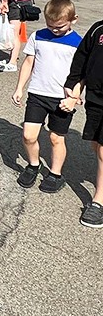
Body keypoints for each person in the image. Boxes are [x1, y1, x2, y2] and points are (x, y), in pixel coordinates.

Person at [11, 0, 81, 193]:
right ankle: (33, 165)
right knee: (28, 135)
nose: (54, 30)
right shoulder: (38, 36)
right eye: (50, 26)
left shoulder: (78, 43)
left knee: (56, 138)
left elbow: (80, 75)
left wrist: (74, 98)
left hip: (62, 98)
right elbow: (28, 63)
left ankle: (55, 174)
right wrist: (19, 88)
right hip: (37, 94)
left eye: (59, 27)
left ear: (73, 19)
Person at [62, 15, 103, 227]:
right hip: (96, 98)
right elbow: (83, 58)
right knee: (95, 145)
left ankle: (98, 202)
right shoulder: (98, 29)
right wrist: (74, 83)